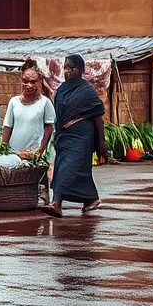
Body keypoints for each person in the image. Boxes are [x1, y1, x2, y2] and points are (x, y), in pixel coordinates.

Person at [41, 54, 107, 217]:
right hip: (64, 135)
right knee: (73, 169)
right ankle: (90, 199)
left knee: (67, 167)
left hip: (82, 136)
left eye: (72, 68)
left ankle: (56, 203)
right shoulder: (61, 90)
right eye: (66, 68)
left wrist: (101, 142)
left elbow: (98, 118)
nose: (68, 71)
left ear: (81, 69)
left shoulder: (87, 90)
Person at [0, 63, 55, 160]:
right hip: (14, 152)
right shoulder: (14, 101)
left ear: (39, 82)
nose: (28, 85)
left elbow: (49, 126)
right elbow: (7, 127)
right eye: (25, 81)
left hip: (34, 152)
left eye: (33, 82)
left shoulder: (45, 102)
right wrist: (3, 148)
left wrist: (42, 147)